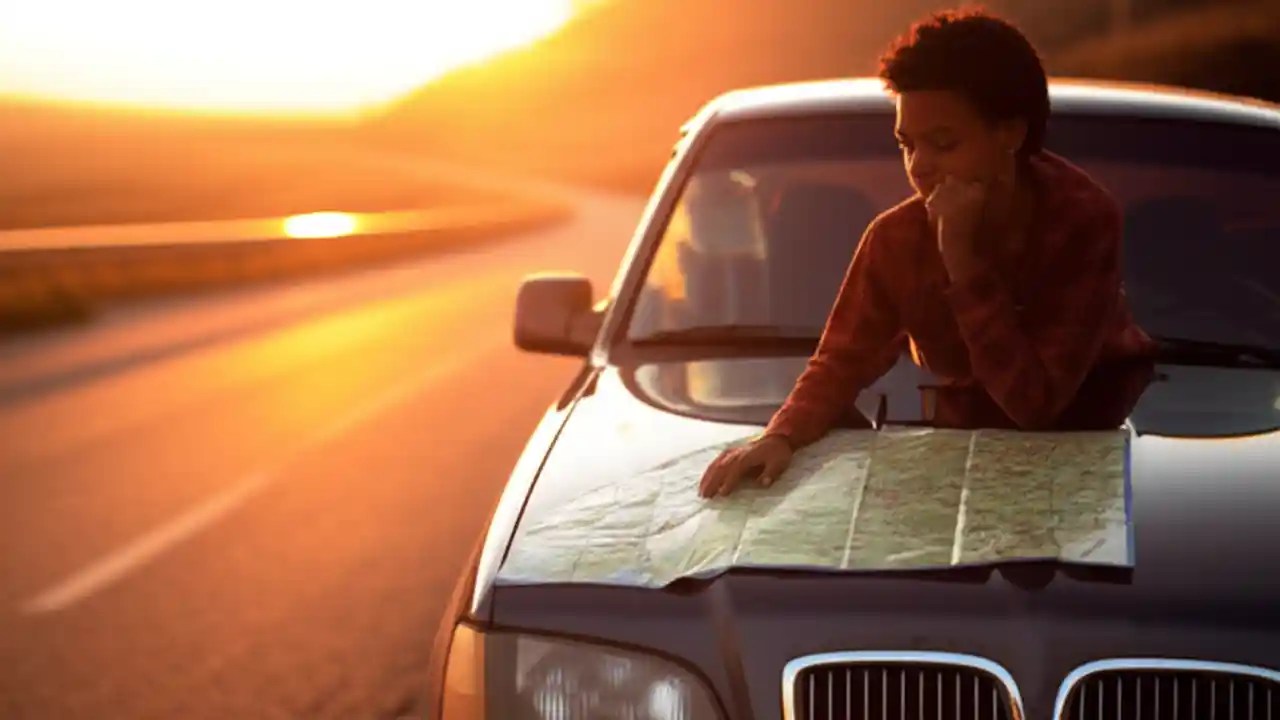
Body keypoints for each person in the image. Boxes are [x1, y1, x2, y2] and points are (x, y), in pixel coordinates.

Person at [698, 8, 1156, 499]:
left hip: (1085, 430)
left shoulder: (1081, 219)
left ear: (1010, 133)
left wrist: (961, 259)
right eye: (906, 144)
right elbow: (841, 358)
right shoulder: (896, 238)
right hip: (960, 434)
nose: (919, 166)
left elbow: (1035, 405)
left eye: (943, 143)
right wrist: (779, 436)